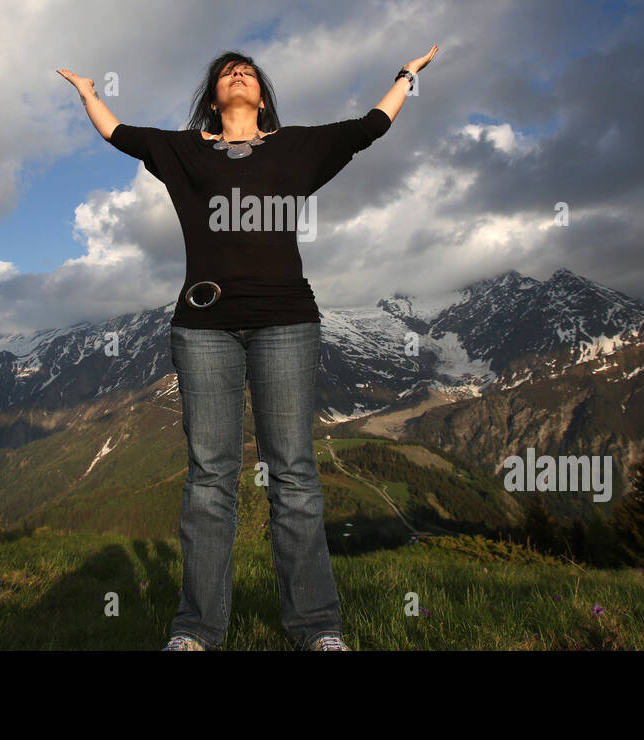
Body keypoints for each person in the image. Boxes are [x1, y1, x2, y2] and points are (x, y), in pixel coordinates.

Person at [57, 45, 438, 651]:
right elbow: (121, 135)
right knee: (210, 476)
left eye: (249, 71)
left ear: (261, 96)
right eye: (226, 72)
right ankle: (196, 631)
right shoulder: (184, 151)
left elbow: (370, 128)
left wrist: (405, 77)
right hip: (203, 324)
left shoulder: (296, 147)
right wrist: (88, 94)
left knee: (294, 473)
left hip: (285, 320)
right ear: (213, 98)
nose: (239, 73)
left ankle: (317, 630)